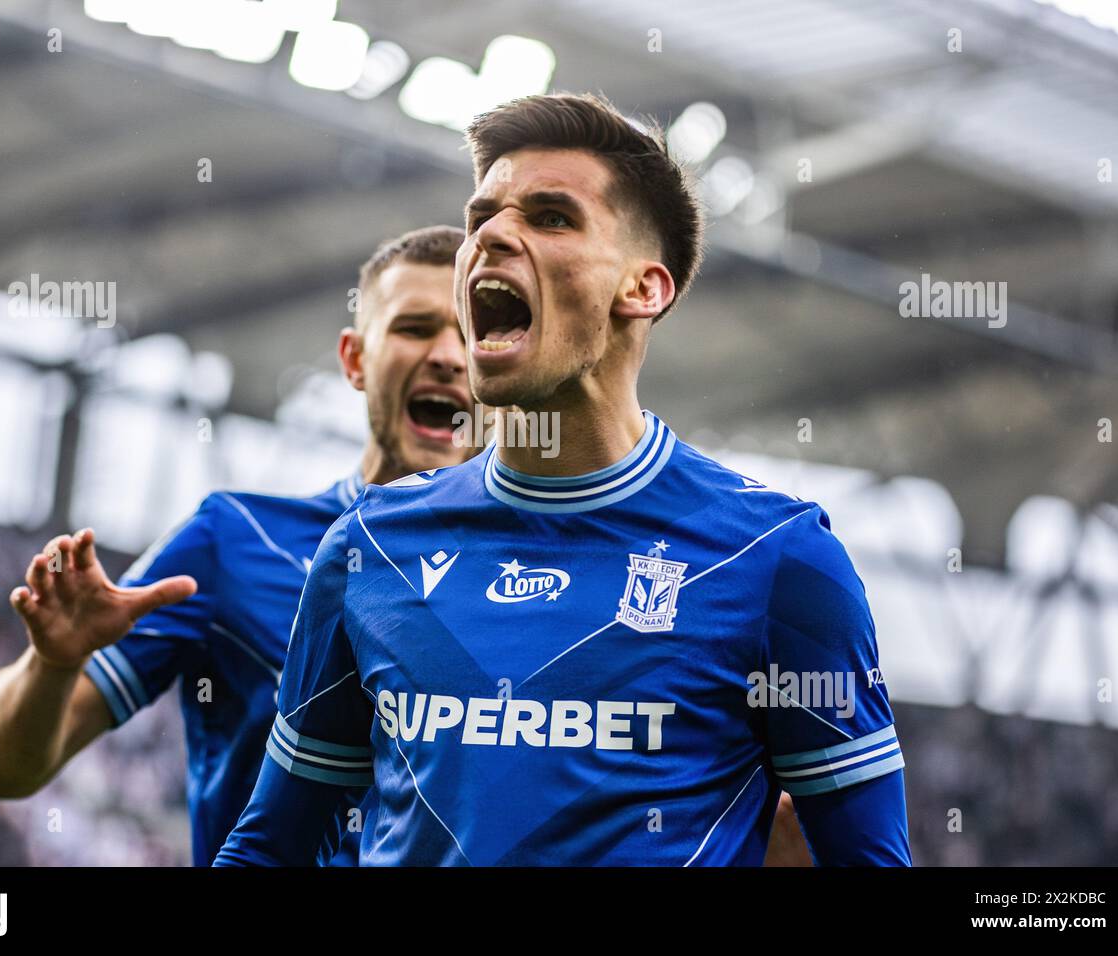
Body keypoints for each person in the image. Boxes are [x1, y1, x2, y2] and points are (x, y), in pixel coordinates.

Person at [216, 93, 909, 867]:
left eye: (551, 218)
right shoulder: (367, 547)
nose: (491, 237)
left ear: (643, 288)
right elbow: (271, 847)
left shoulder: (776, 558)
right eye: (483, 218)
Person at [0, 225, 475, 866]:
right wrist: (52, 665)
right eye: (415, 328)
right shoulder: (233, 542)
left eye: (472, 333)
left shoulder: (537, 584)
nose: (449, 356)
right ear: (355, 360)